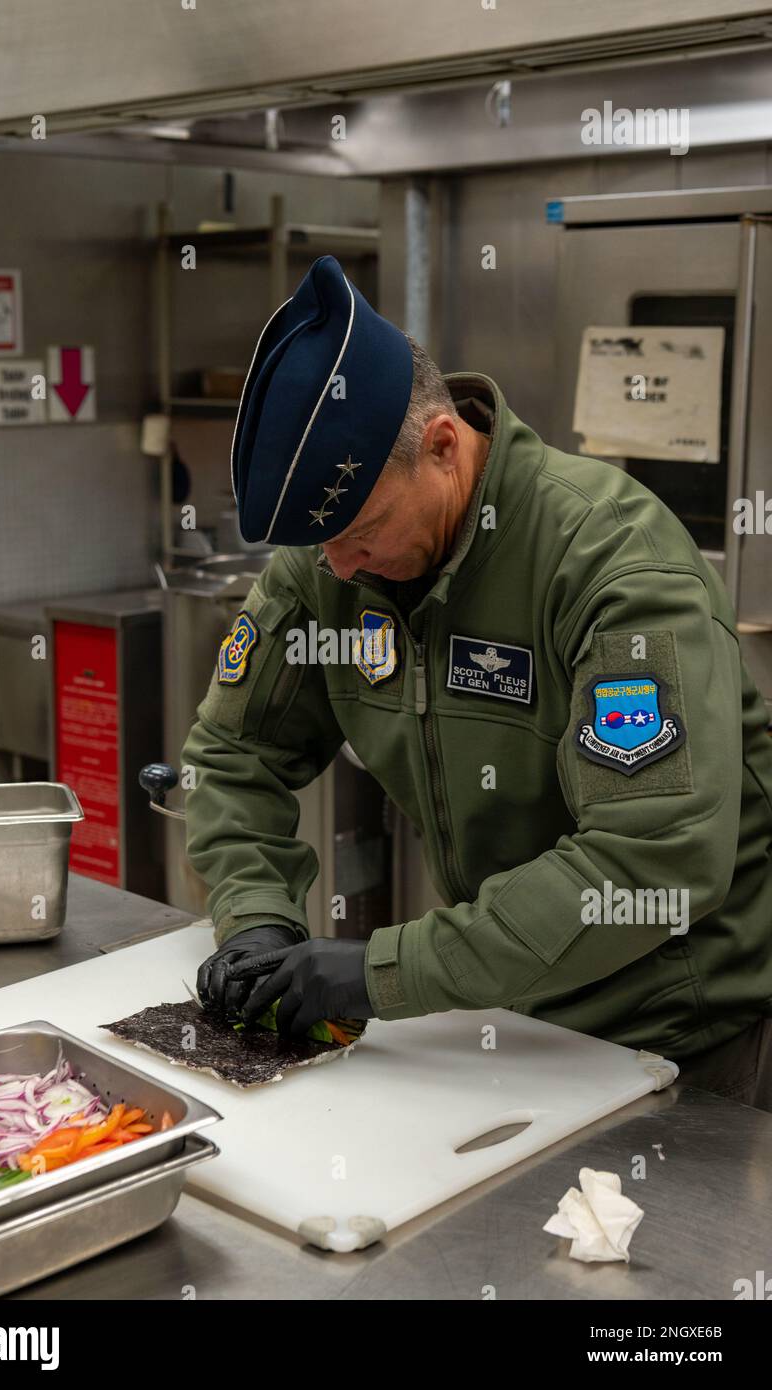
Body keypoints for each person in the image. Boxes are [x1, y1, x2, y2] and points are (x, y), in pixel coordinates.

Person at [182, 254, 772, 1108]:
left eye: (361, 530)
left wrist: (385, 972)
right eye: (321, 547)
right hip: (514, 1020)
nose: (340, 569)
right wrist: (256, 916)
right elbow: (235, 754)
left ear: (445, 445)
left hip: (685, 1040)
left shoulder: (612, 565)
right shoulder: (330, 562)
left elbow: (651, 865)